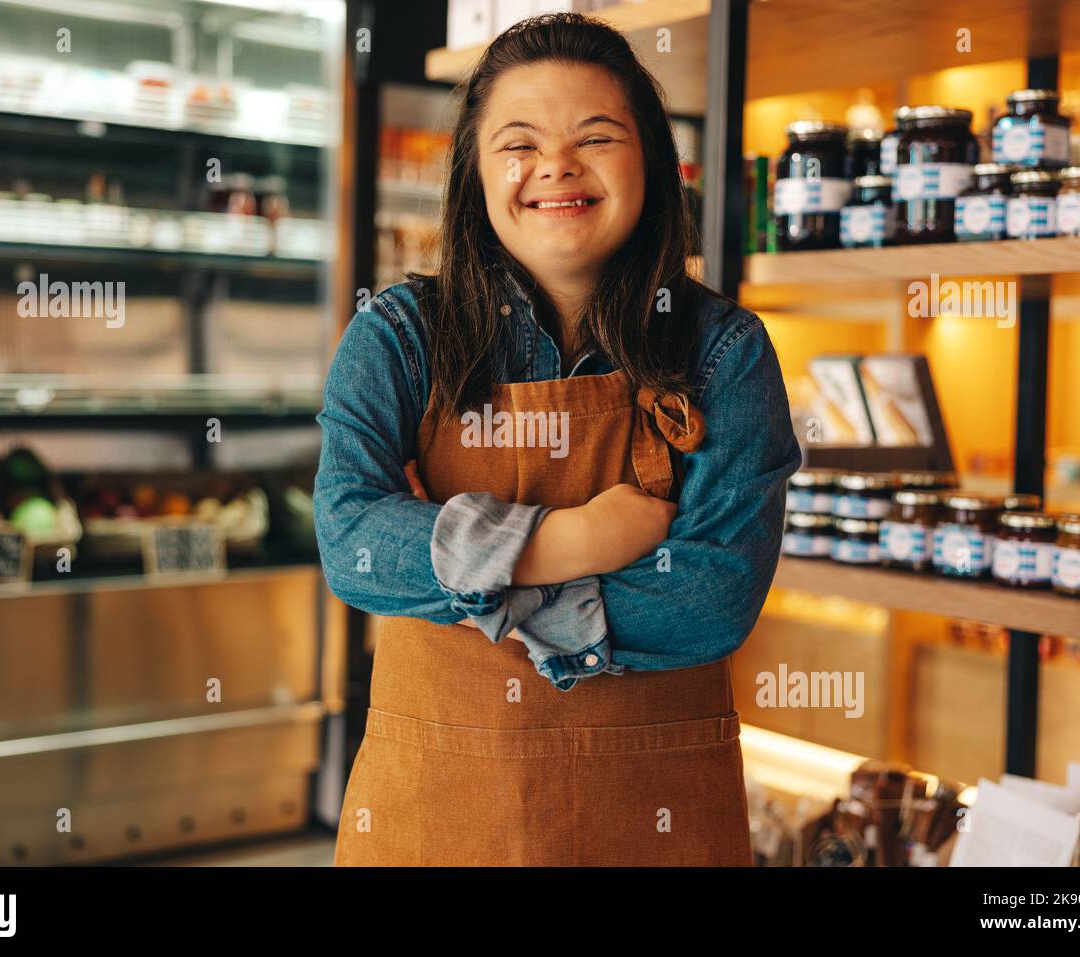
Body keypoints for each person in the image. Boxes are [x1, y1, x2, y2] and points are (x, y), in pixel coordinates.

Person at [314, 12, 801, 866]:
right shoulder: (396, 337)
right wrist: (569, 540)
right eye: (519, 143)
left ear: (650, 158)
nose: (556, 167)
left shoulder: (724, 352)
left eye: (596, 137)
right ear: (475, 171)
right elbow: (352, 543)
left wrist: (465, 567)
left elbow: (712, 597)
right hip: (437, 820)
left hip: (655, 821)